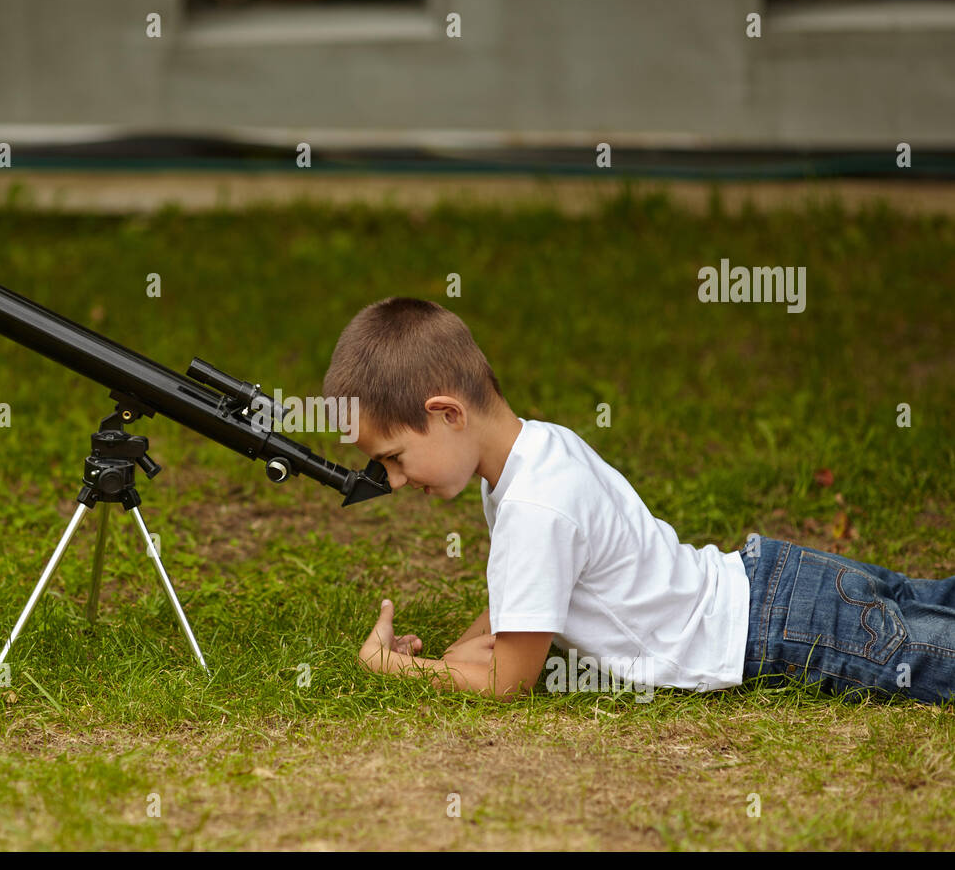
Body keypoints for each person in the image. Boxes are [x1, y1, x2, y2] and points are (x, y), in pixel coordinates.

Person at [321, 297, 955, 705]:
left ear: (446, 413)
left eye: (395, 457)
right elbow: (525, 593)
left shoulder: (534, 507)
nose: (394, 481)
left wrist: (394, 668)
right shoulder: (538, 450)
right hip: (770, 581)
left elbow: (508, 684)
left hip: (776, 632)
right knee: (931, 600)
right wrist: (460, 649)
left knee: (935, 657)